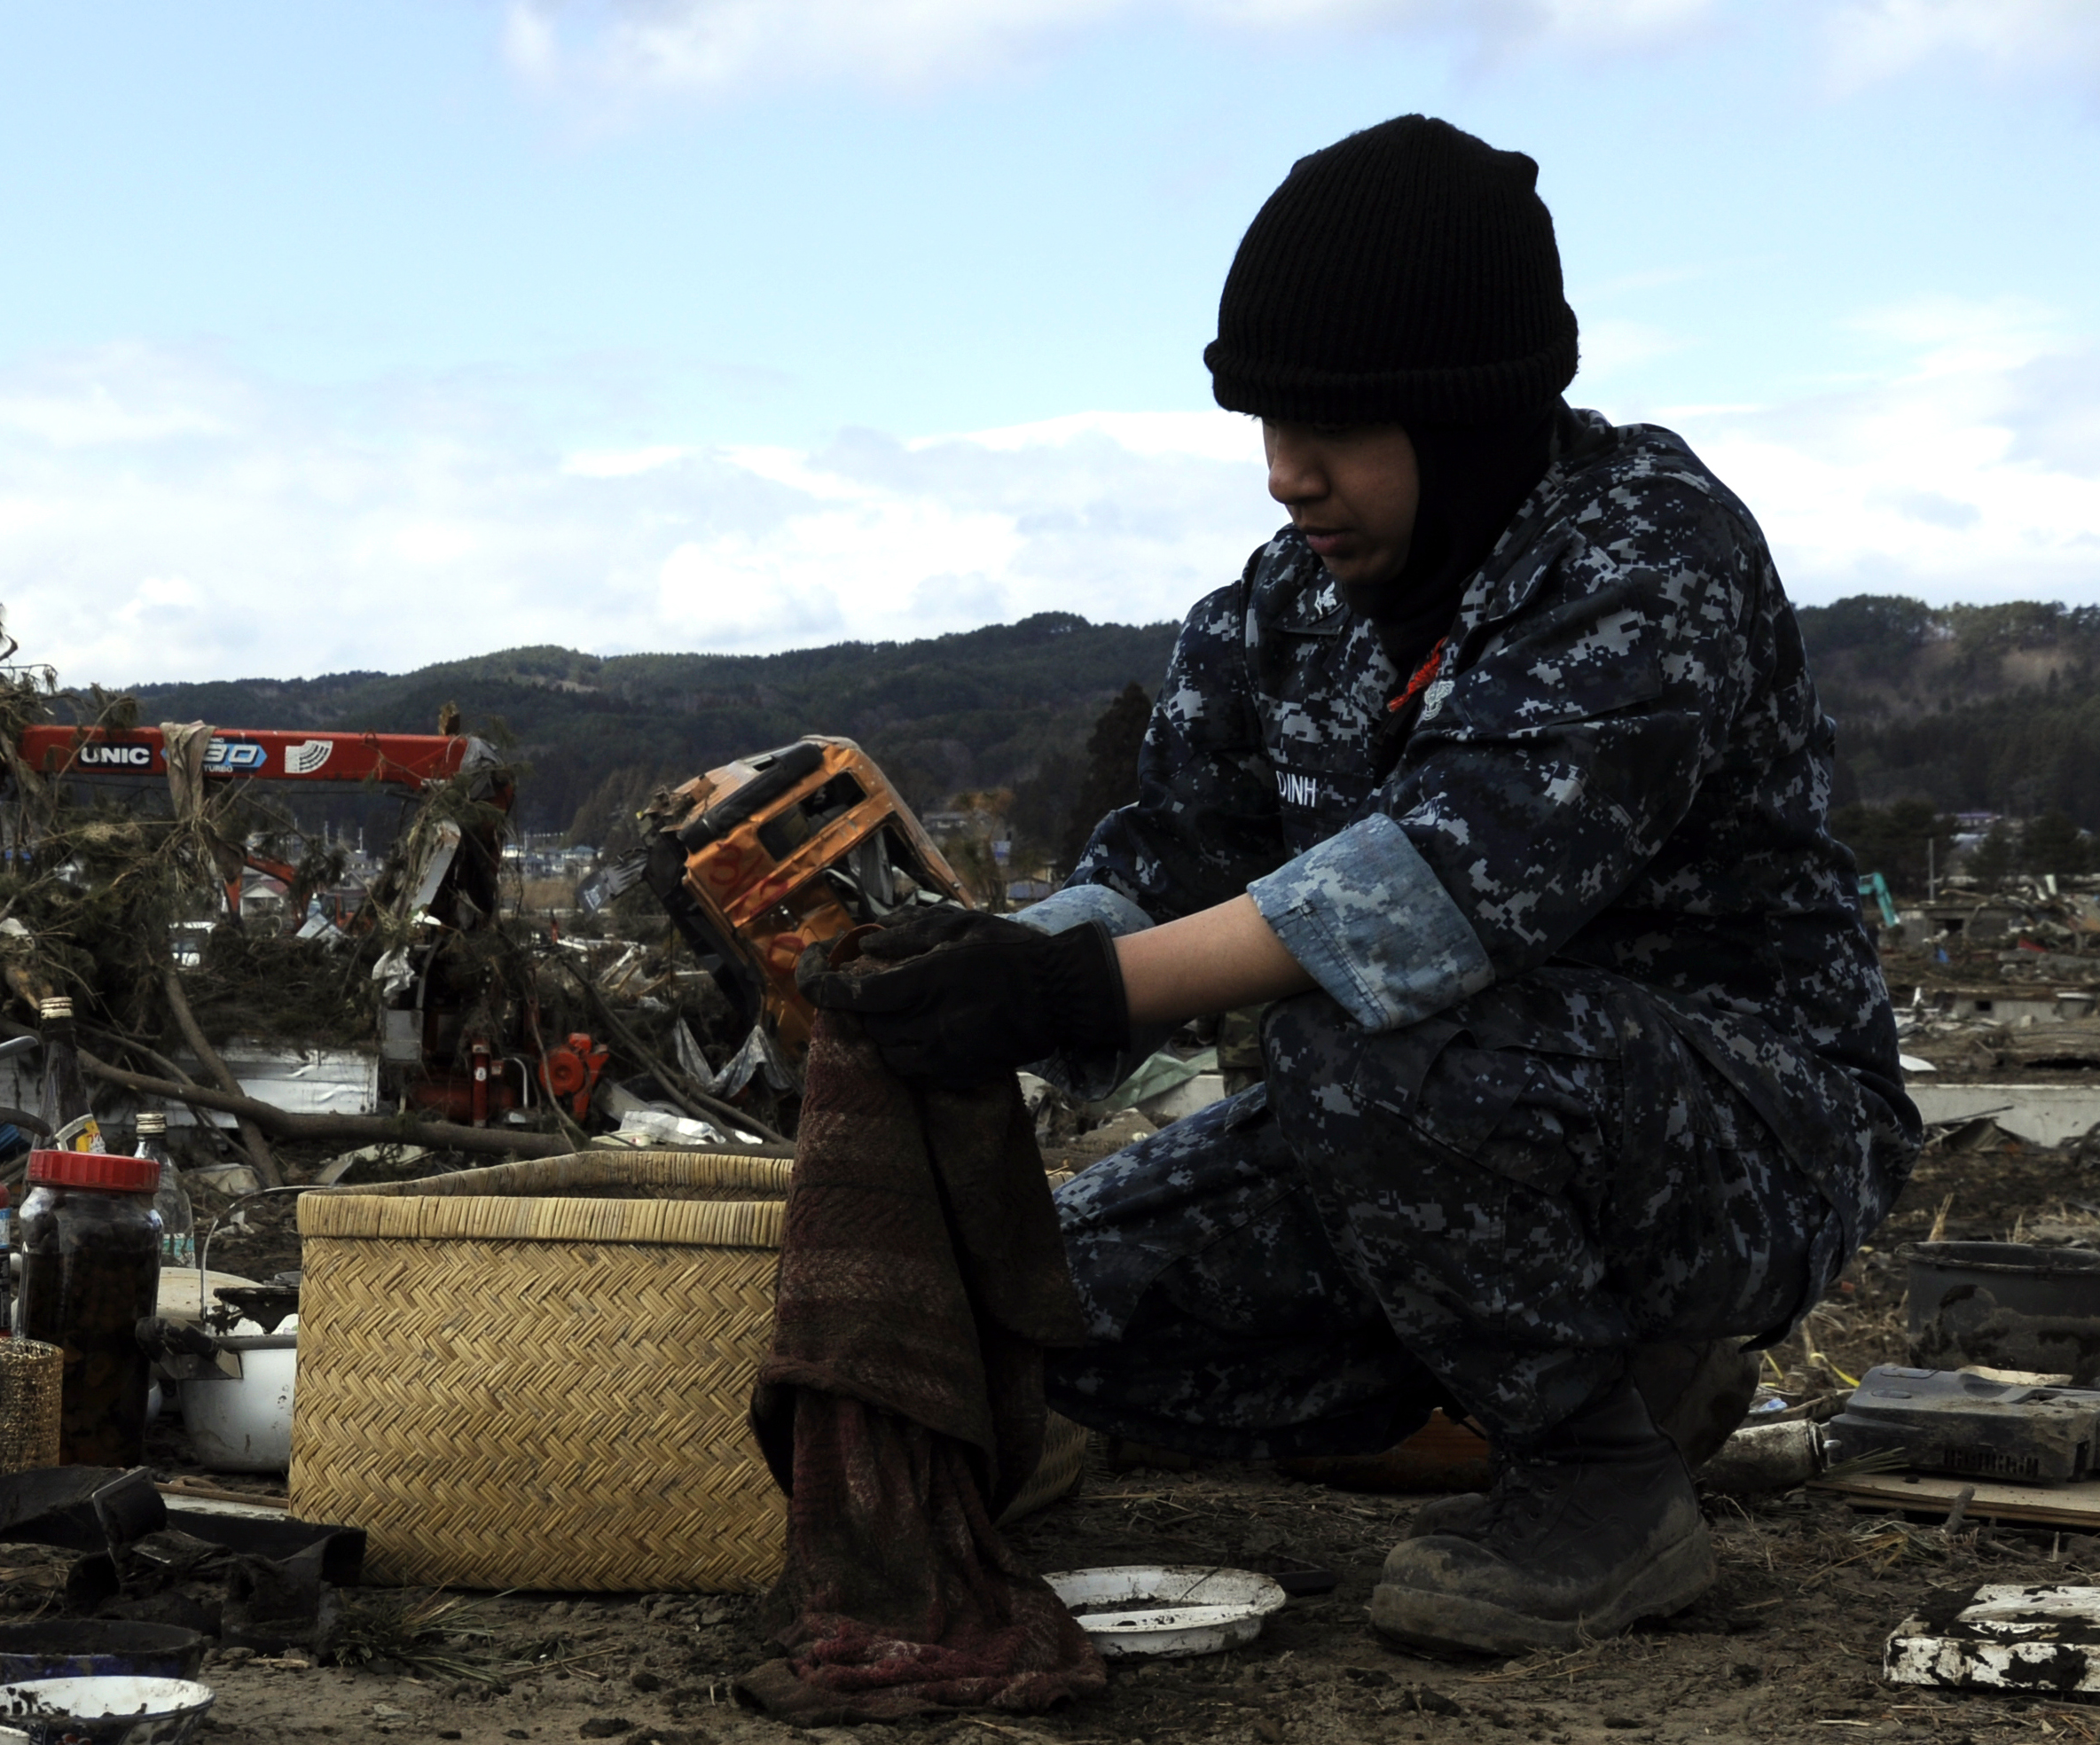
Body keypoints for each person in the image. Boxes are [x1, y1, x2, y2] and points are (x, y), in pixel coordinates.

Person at [802, 114, 1917, 1657]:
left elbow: (1426, 900)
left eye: (1331, 426)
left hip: (1747, 1130)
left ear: (1466, 417)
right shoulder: (1285, 612)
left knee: (1373, 1033)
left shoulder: (1645, 556)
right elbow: (1166, 865)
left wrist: (1070, 991)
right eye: (1264, 422)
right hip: (1424, 1144)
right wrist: (980, 962)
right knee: (1043, 1301)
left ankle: (1600, 1478)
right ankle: (1586, 1376)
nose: (1285, 476)